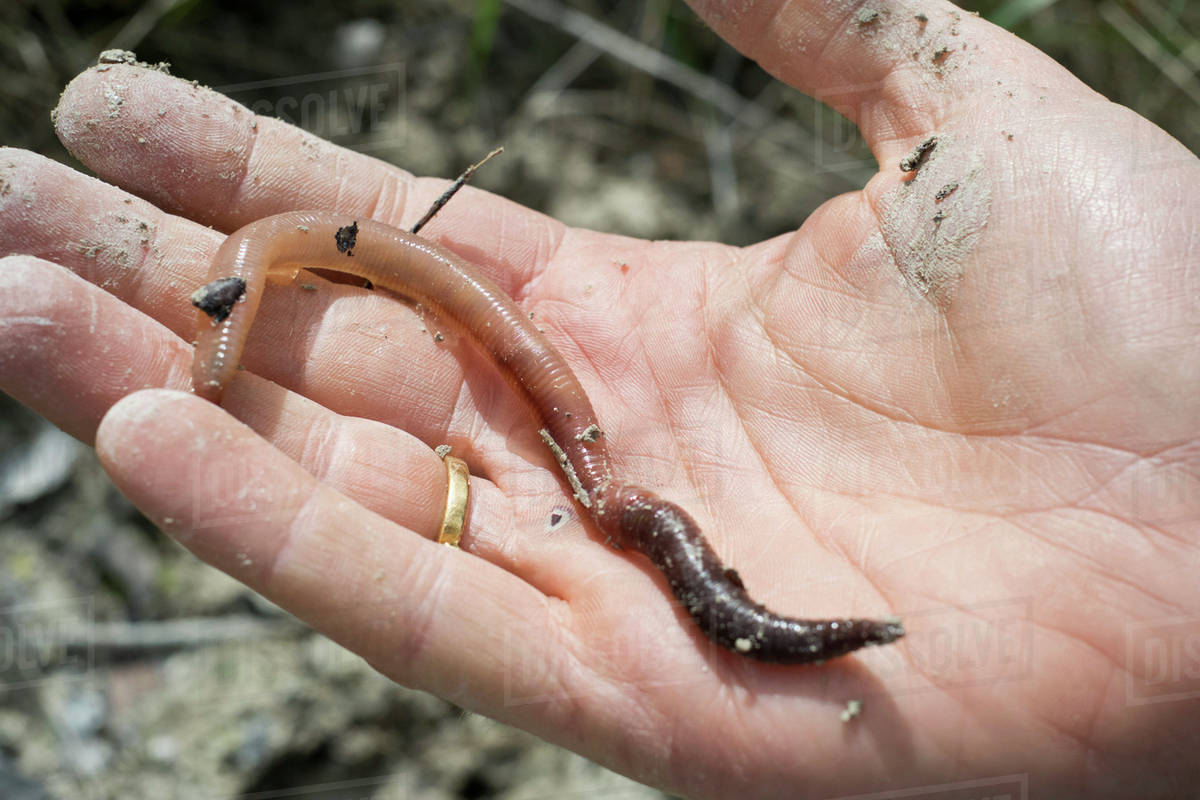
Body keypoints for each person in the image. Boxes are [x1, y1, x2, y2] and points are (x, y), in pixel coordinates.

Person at [1, 3, 1196, 798]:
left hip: (576, 448)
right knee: (619, 499)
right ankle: (749, 602)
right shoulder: (261, 260)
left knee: (627, 504)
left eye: (225, 337)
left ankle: (762, 608)